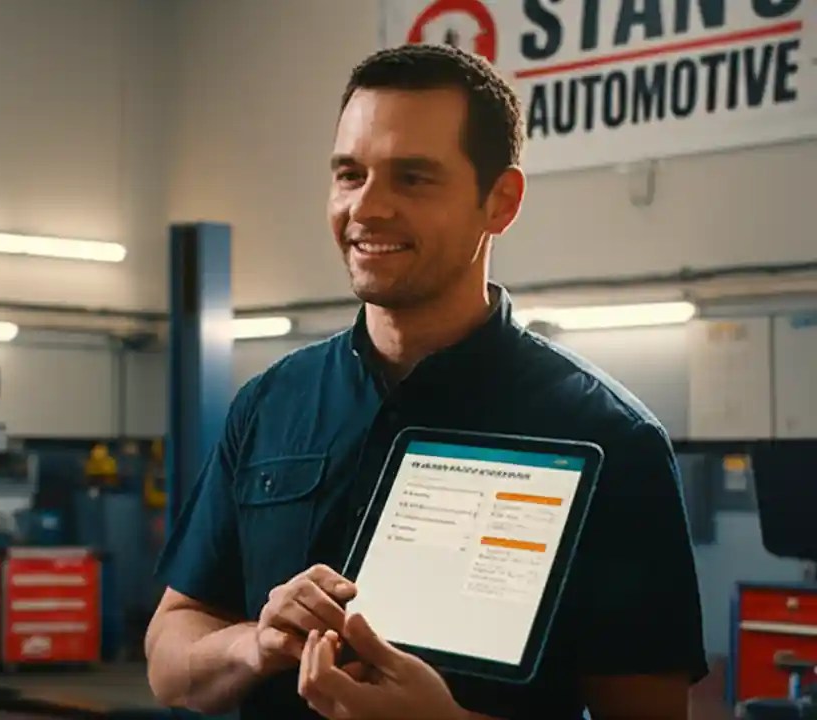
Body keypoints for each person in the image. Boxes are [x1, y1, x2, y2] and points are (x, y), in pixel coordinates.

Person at [144, 43, 707, 720]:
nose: (368, 208)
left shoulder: (611, 440)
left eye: (413, 178)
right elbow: (170, 660)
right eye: (350, 174)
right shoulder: (270, 405)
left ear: (500, 202)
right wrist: (256, 644)